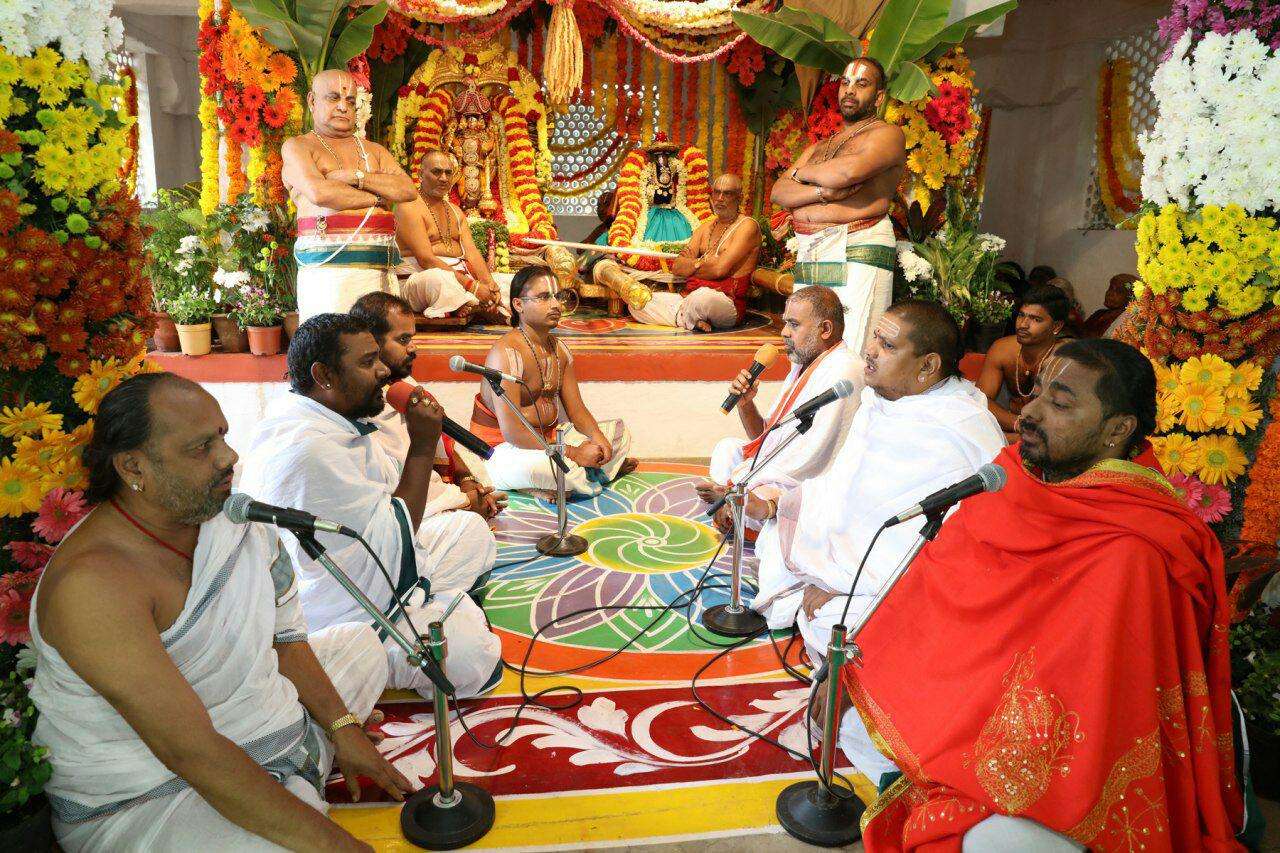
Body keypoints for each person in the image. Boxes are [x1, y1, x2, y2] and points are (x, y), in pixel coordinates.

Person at [840, 339, 1244, 851]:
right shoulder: (1011, 477)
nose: (1028, 412)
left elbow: (1094, 707)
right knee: (855, 718)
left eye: (1060, 404)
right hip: (966, 704)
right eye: (1035, 394)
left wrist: (974, 749)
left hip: (1056, 762)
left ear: (1117, 430)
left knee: (994, 841)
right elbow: (948, 601)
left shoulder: (1135, 550)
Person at [30, 373, 410, 852]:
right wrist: (342, 847)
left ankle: (292, 774)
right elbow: (191, 752)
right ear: (133, 467)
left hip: (254, 721)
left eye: (224, 435)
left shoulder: (229, 521)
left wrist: (343, 727)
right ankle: (287, 792)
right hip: (151, 792)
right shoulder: (92, 585)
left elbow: (285, 638)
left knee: (360, 646)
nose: (228, 457)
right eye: (201, 447)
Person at [735, 301, 1003, 781]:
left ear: (927, 367)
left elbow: (946, 544)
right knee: (781, 542)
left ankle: (870, 718)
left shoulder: (959, 429)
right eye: (873, 338)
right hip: (853, 559)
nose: (869, 352)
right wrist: (785, 504)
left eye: (886, 344)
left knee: (842, 621)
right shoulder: (884, 400)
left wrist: (849, 586)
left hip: (912, 589)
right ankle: (845, 667)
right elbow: (849, 488)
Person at [239, 314, 502, 700]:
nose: (383, 370)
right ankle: (418, 626)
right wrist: (424, 446)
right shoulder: (308, 449)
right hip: (340, 612)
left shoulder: (331, 419)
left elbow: (389, 517)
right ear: (324, 375)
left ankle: (438, 605)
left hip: (380, 569)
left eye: (378, 357)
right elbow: (393, 534)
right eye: (367, 362)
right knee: (470, 658)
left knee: (470, 532)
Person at [770, 57, 905, 350]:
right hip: (814, 250)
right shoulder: (822, 146)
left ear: (879, 96)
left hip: (858, 244)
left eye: (862, 83)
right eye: (845, 82)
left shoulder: (887, 134)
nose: (850, 90)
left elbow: (847, 173)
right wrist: (821, 193)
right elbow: (779, 191)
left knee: (853, 346)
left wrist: (799, 175)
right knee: (806, 344)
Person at [469, 265, 636, 498]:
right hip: (503, 450)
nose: (556, 305)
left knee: (618, 433)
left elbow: (577, 412)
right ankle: (579, 475)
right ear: (518, 305)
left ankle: (568, 479)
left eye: (557, 297)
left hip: (549, 442)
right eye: (544, 297)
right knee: (558, 469)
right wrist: (574, 453)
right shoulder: (506, 354)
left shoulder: (560, 350)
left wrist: (598, 438)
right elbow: (513, 432)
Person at [696, 287, 862, 507]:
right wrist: (746, 405)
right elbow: (767, 438)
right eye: (785, 323)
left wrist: (739, 482)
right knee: (727, 448)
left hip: (806, 485)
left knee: (755, 487)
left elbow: (810, 461)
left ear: (825, 329)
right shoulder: (805, 364)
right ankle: (731, 505)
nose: (784, 332)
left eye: (793, 324)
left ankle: (732, 505)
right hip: (781, 466)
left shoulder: (843, 370)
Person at [349, 291, 506, 520]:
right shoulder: (367, 402)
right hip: (401, 510)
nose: (413, 348)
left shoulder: (404, 385)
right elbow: (400, 476)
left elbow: (444, 440)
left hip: (436, 492)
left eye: (412, 338)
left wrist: (467, 481)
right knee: (470, 531)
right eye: (403, 340)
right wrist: (465, 502)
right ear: (372, 342)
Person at [283, 70, 418, 322]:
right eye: (333, 98)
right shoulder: (298, 147)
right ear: (312, 101)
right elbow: (319, 192)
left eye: (351, 101)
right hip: (327, 279)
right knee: (332, 348)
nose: (343, 107)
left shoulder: (375, 151)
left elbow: (406, 190)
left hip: (378, 275)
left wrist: (357, 177)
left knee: (379, 350)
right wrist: (378, 197)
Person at [627, 174, 762, 332]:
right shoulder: (705, 228)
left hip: (725, 302)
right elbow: (677, 266)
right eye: (716, 192)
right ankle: (692, 320)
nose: (719, 198)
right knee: (638, 302)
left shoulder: (747, 226)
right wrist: (703, 264)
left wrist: (693, 265)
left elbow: (719, 270)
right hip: (689, 297)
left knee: (703, 297)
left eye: (727, 193)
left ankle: (684, 318)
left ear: (740, 197)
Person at [393, 149, 512, 324]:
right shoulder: (408, 207)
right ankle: (472, 302)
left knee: (509, 282)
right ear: (420, 174)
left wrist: (489, 283)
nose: (443, 178)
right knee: (438, 280)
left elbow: (471, 252)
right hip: (420, 279)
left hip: (461, 278)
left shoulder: (455, 211)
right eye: (436, 172)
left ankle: (474, 301)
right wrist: (472, 286)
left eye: (448, 173)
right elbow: (426, 260)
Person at [977, 282, 1072, 439]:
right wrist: (1016, 424)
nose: (1023, 325)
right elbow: (981, 399)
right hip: (1011, 429)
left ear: (1056, 326)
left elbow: (1065, 419)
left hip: (1050, 437)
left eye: (1036, 319)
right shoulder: (1002, 349)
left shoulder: (1067, 360)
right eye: (1021, 315)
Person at [1082, 273, 1137, 338]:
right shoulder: (1099, 313)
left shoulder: (1125, 323)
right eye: (1111, 288)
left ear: (1130, 297)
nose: (1110, 294)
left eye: (1119, 291)